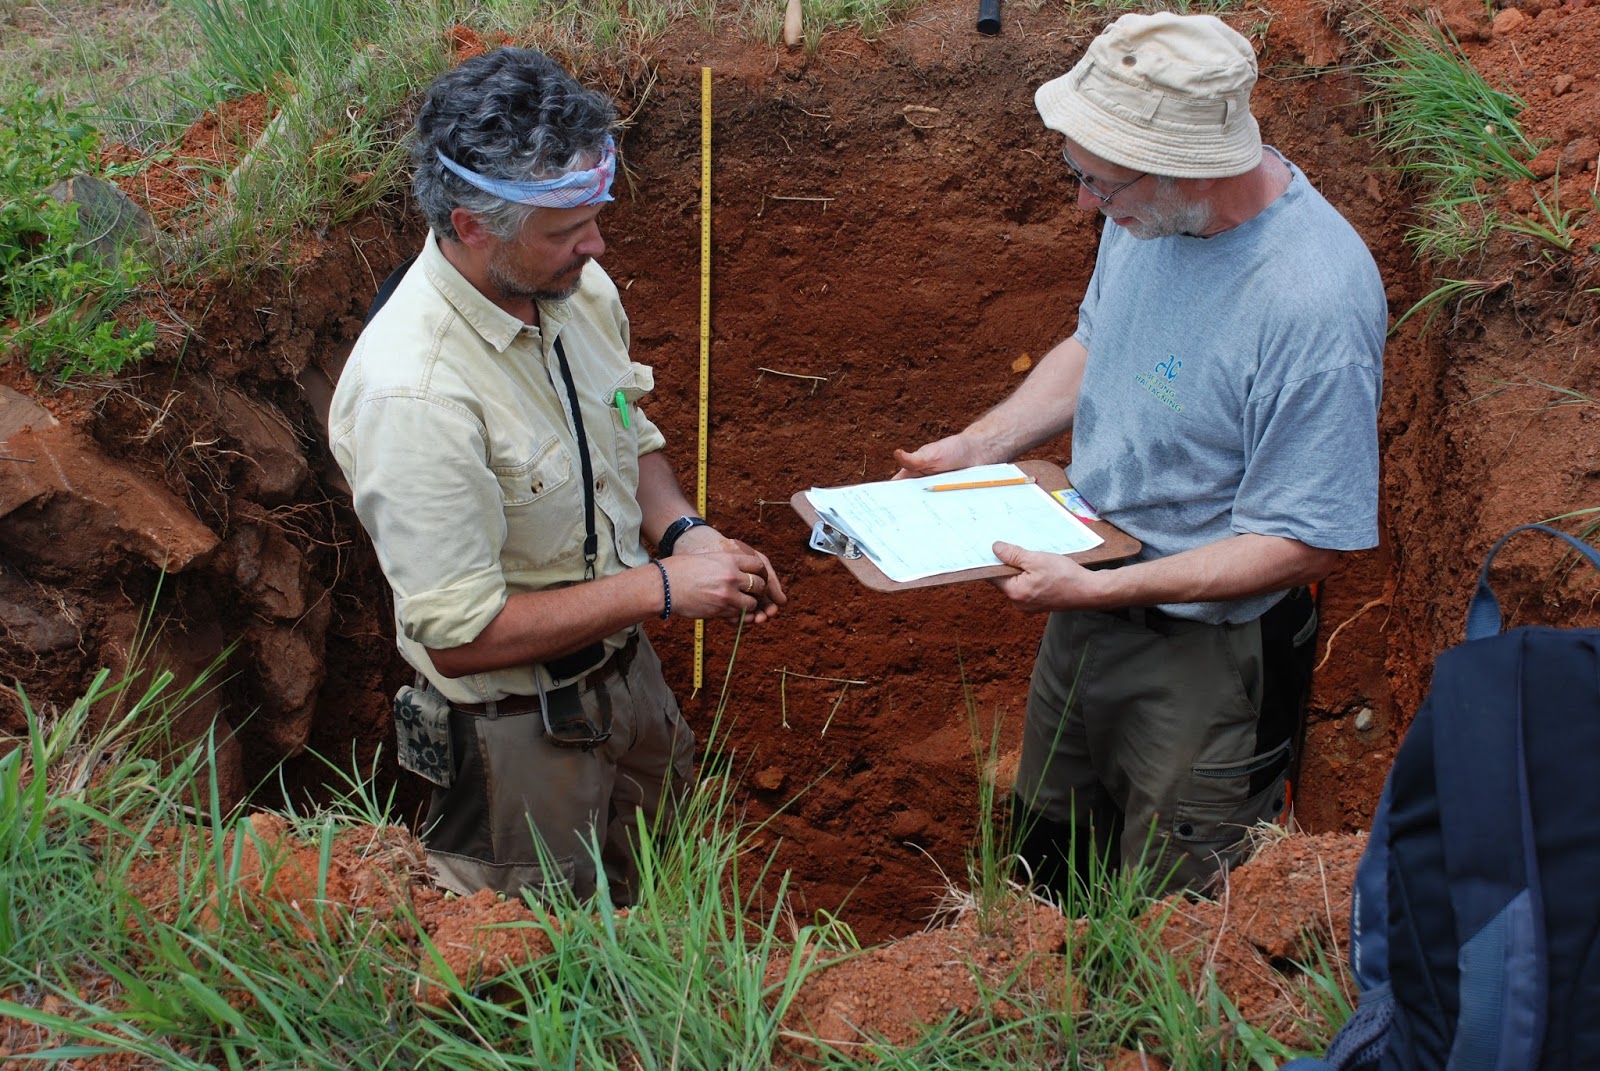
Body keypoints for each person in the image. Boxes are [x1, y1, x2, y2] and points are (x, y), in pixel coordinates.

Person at [895, 12, 1385, 900]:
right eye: (1079, 172)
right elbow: (1098, 344)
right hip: (1086, 591)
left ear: (1190, 167)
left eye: (1101, 182)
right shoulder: (1150, 212)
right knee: (1048, 864)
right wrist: (977, 446)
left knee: (1176, 908)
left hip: (1209, 657)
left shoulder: (1312, 304)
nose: (1086, 203)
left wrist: (1100, 589)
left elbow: (1304, 542)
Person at [328, 47, 785, 906]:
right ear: (472, 225)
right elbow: (460, 635)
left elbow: (625, 431)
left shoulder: (577, 289)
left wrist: (685, 532)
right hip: (512, 737)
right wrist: (661, 588)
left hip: (626, 677)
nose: (595, 244)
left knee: (666, 901)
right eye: (564, 230)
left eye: (594, 216)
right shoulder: (415, 395)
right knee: (535, 958)